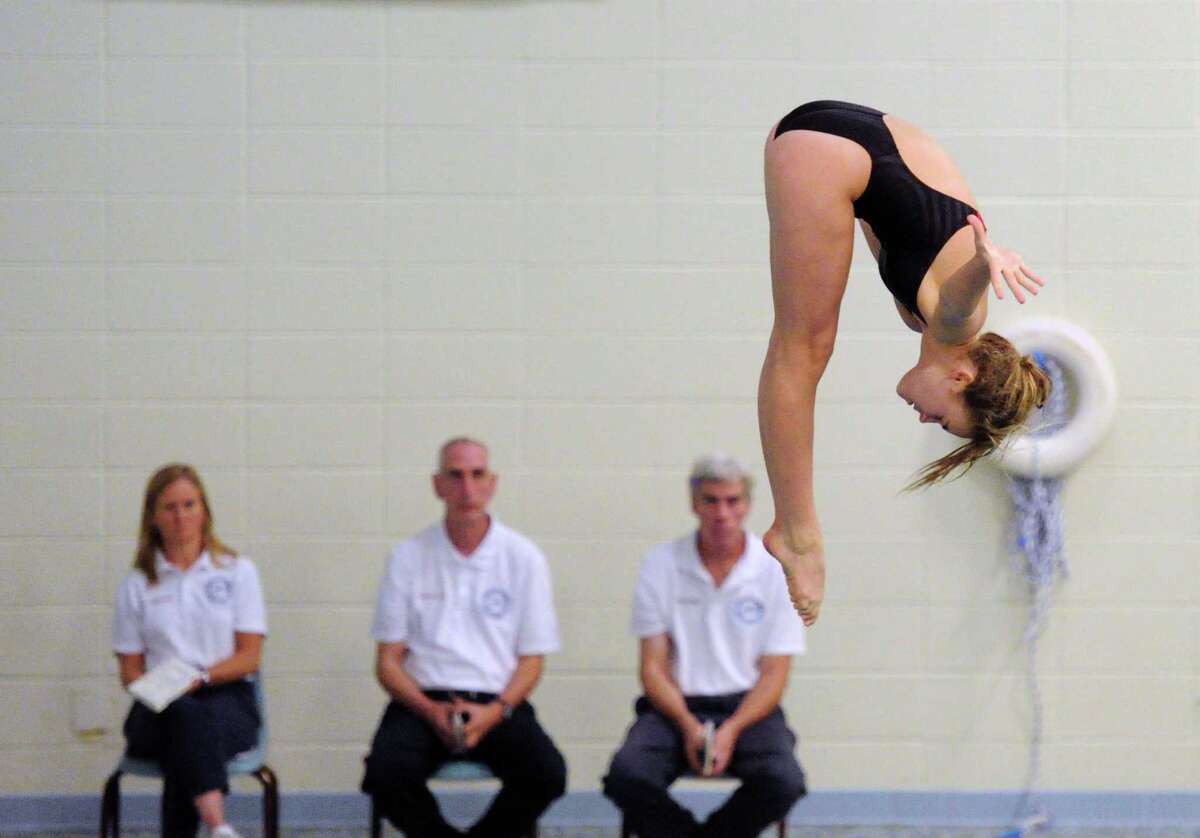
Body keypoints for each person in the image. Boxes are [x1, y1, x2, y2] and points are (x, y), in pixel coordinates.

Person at [758, 100, 1053, 626]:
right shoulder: (956, 322)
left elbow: (889, 215)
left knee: (807, 344)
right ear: (962, 377)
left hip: (840, 139)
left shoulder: (920, 316)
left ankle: (795, 533)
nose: (923, 418)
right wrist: (986, 266)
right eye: (941, 417)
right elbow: (964, 296)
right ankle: (798, 536)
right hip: (832, 148)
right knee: (803, 349)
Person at [363, 437, 567, 838]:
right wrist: (427, 709)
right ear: (438, 485)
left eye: (478, 476)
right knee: (385, 776)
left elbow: (532, 660)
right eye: (455, 477)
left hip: (497, 704)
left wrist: (496, 710)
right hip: (421, 703)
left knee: (547, 774)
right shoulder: (408, 557)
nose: (468, 489)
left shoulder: (523, 558)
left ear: (493, 483)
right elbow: (388, 661)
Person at [603, 454, 808, 838]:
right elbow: (652, 666)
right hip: (674, 706)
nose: (722, 513)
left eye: (733, 501)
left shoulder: (772, 569)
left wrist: (731, 729)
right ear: (694, 503)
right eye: (711, 500)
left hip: (749, 708)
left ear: (747, 505)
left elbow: (775, 672)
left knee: (784, 781)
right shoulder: (661, 563)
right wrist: (686, 724)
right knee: (626, 776)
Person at [112, 463, 267, 838]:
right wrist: (163, 687)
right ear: (153, 517)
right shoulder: (136, 585)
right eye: (169, 507)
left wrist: (201, 677)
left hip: (226, 696)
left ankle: (215, 827)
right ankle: (218, 825)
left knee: (187, 736)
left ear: (204, 511)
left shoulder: (236, 571)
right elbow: (130, 672)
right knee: (183, 718)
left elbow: (250, 656)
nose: (180, 516)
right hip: (158, 703)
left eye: (189, 505)